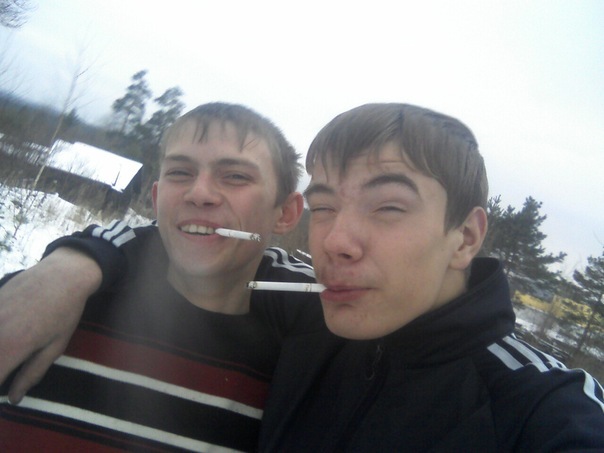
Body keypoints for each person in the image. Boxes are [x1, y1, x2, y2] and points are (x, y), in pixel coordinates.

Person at [3, 103, 604, 451]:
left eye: (388, 206)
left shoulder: (536, 406)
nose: (336, 241)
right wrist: (73, 265)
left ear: (466, 237)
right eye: (326, 207)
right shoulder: (307, 312)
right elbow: (193, 242)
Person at [0, 102, 329, 451]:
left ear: (285, 213)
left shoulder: (305, 357)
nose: (199, 193)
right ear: (157, 199)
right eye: (180, 172)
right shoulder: (42, 307)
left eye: (235, 176)